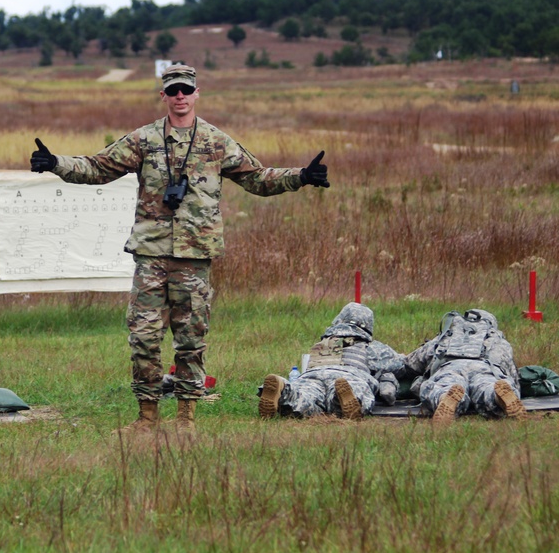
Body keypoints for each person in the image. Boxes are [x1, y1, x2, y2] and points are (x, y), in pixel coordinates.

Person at [30, 63, 329, 434]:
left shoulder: (217, 142)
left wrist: (300, 176)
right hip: (152, 255)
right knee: (143, 336)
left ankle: (186, 418)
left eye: (186, 89)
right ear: (164, 96)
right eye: (173, 91)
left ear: (197, 93)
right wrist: (56, 163)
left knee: (191, 338)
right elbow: (98, 167)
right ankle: (147, 418)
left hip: (194, 256)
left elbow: (257, 178)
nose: (180, 96)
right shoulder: (143, 139)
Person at [258, 302, 404, 420]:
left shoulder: (322, 344)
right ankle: (342, 398)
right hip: (349, 376)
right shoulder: (372, 347)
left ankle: (284, 390)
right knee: (356, 391)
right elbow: (401, 365)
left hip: (312, 376)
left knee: (305, 398)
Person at [399, 309, 526, 424]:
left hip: (451, 367)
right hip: (485, 368)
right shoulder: (496, 340)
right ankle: (496, 397)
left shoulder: (447, 335)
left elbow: (412, 363)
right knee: (487, 386)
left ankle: (444, 396)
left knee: (441, 387)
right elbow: (510, 370)